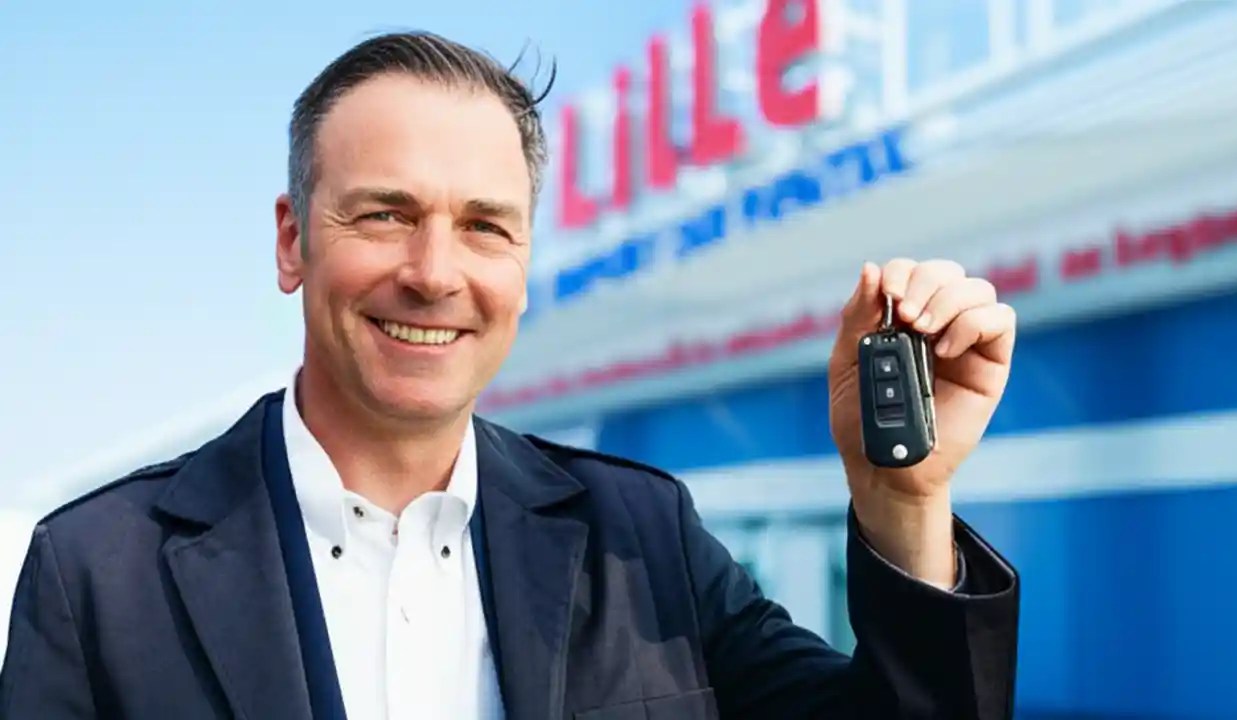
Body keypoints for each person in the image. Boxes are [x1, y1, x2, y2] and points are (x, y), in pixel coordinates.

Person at [0, 31, 1020, 720]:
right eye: (385, 213)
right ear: (291, 241)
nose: (434, 273)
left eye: (484, 227)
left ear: (522, 264)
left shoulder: (644, 541)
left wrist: (900, 498)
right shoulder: (97, 572)